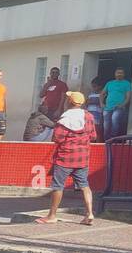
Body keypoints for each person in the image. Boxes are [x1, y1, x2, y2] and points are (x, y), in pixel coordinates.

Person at [38, 91, 97, 226]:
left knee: (58, 186)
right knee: (84, 185)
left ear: (69, 102)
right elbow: (93, 136)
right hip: (82, 157)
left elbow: (57, 138)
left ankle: (52, 215)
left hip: (65, 157)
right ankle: (89, 213)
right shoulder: (89, 116)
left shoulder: (64, 119)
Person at [102, 67, 132, 140]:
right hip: (107, 107)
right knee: (106, 125)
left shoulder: (127, 83)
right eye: (118, 73)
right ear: (115, 74)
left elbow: (128, 97)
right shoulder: (109, 83)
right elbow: (102, 94)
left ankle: (113, 139)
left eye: (121, 73)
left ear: (124, 74)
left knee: (115, 121)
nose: (119, 74)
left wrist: (123, 105)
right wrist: (101, 104)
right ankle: (106, 140)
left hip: (119, 107)